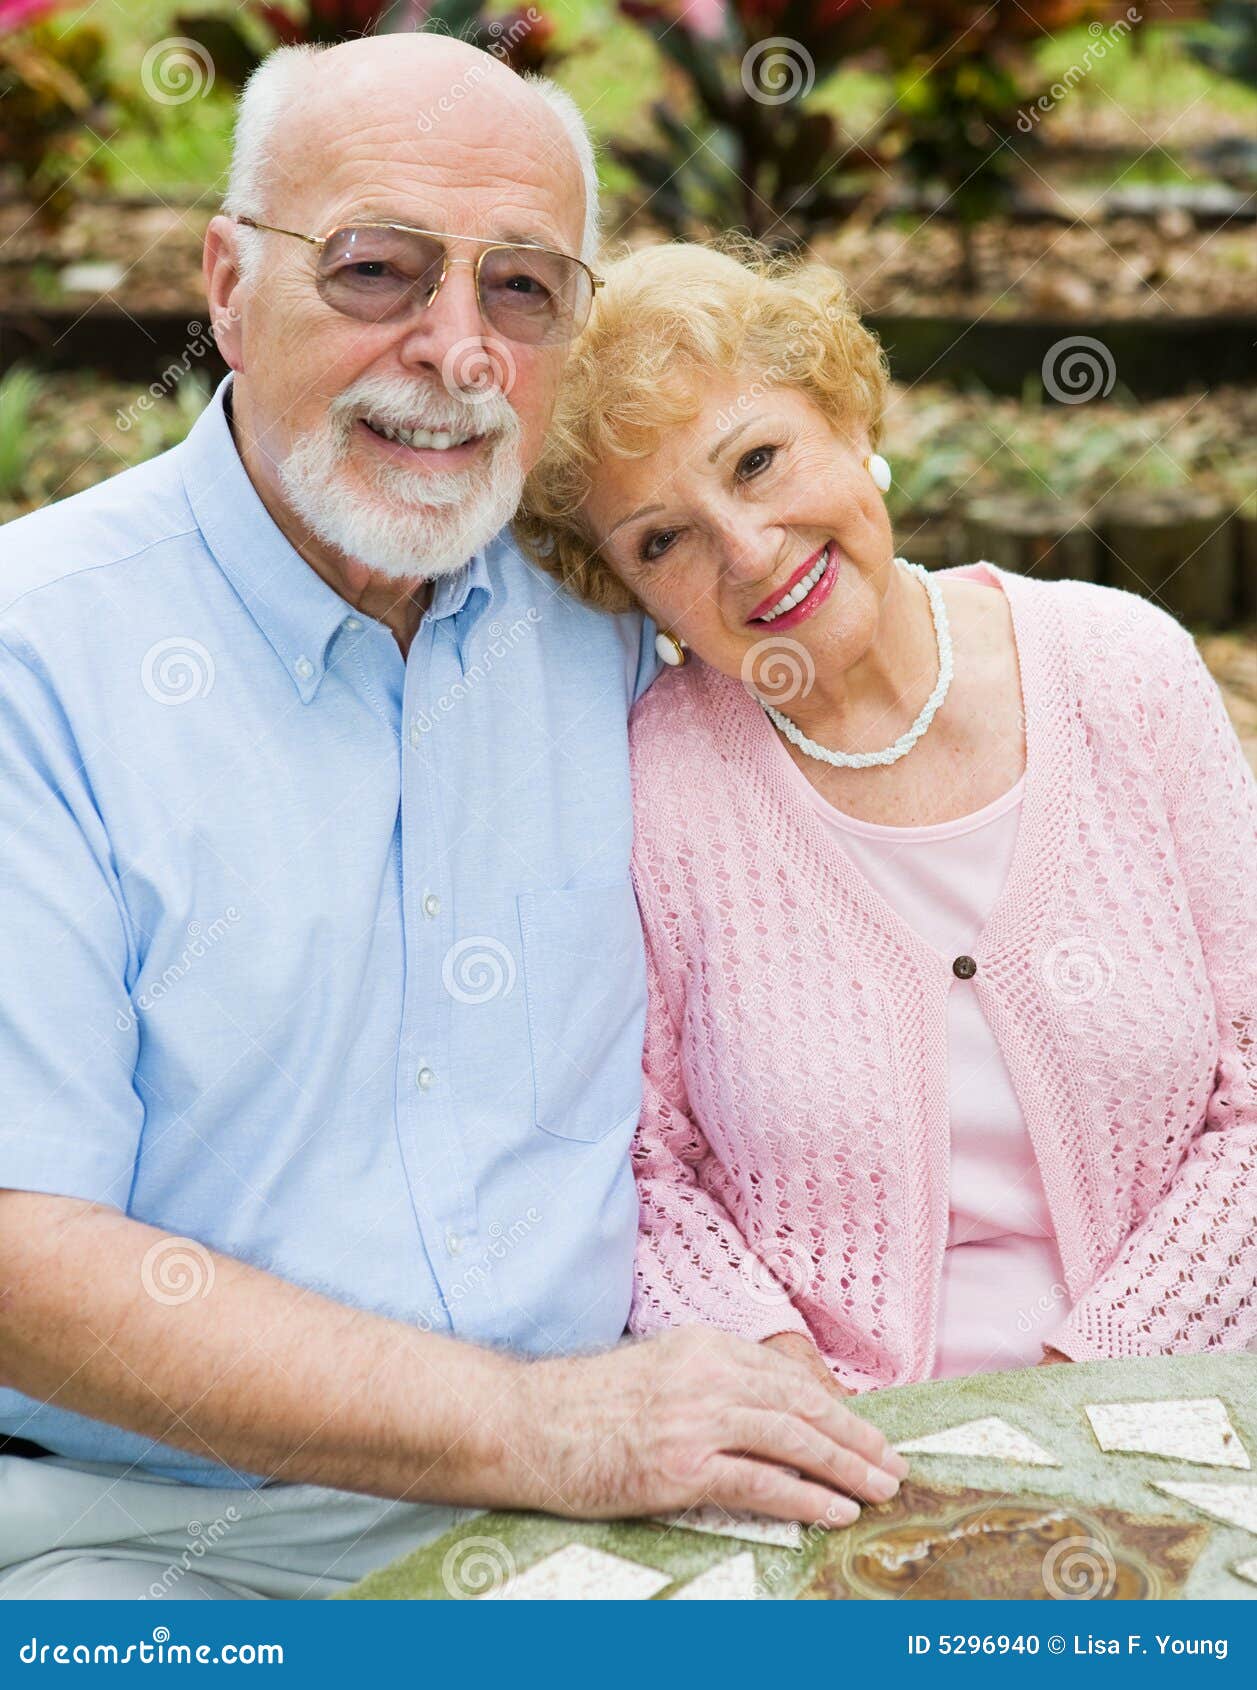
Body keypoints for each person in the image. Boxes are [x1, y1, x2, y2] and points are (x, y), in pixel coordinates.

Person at [0, 48, 904, 1602]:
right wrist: (534, 1424)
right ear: (227, 281)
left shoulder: (612, 604)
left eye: (525, 292)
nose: (457, 353)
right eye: (376, 271)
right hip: (151, 1536)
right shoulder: (40, 661)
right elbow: (22, 1249)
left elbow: (878, 680)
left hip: (623, 1525)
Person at [517, 241, 1257, 1395]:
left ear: (847, 413)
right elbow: (643, 1168)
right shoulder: (659, 782)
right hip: (832, 1455)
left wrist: (1097, 1386)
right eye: (665, 539)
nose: (751, 554)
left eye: (757, 461)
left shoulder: (1126, 673)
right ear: (628, 588)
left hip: (1179, 1410)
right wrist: (781, 1381)